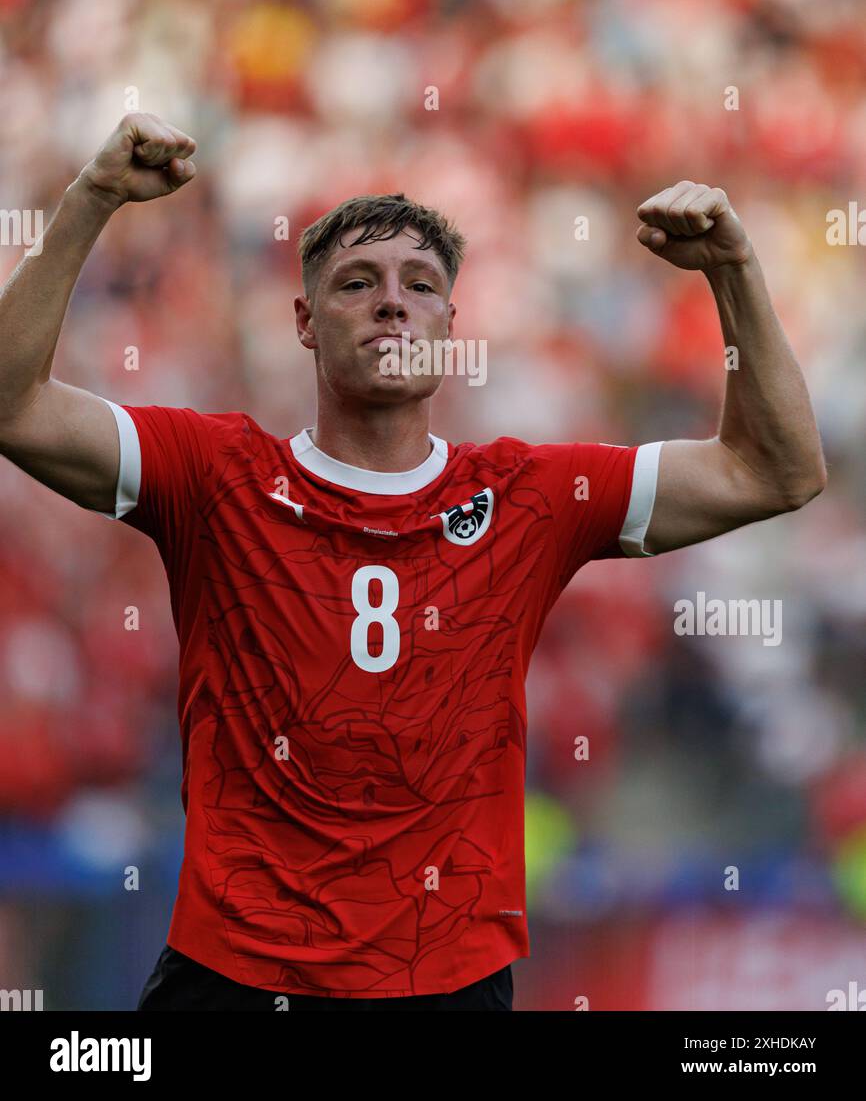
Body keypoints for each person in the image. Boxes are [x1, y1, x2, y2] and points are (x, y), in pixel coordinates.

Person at [0, 113, 826, 1011]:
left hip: (446, 986)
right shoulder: (214, 477)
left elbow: (774, 470)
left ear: (449, 321)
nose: (392, 300)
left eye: (419, 284)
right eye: (358, 283)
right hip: (234, 978)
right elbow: (13, 406)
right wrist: (94, 197)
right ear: (306, 323)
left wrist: (735, 272)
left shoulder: (530, 495)